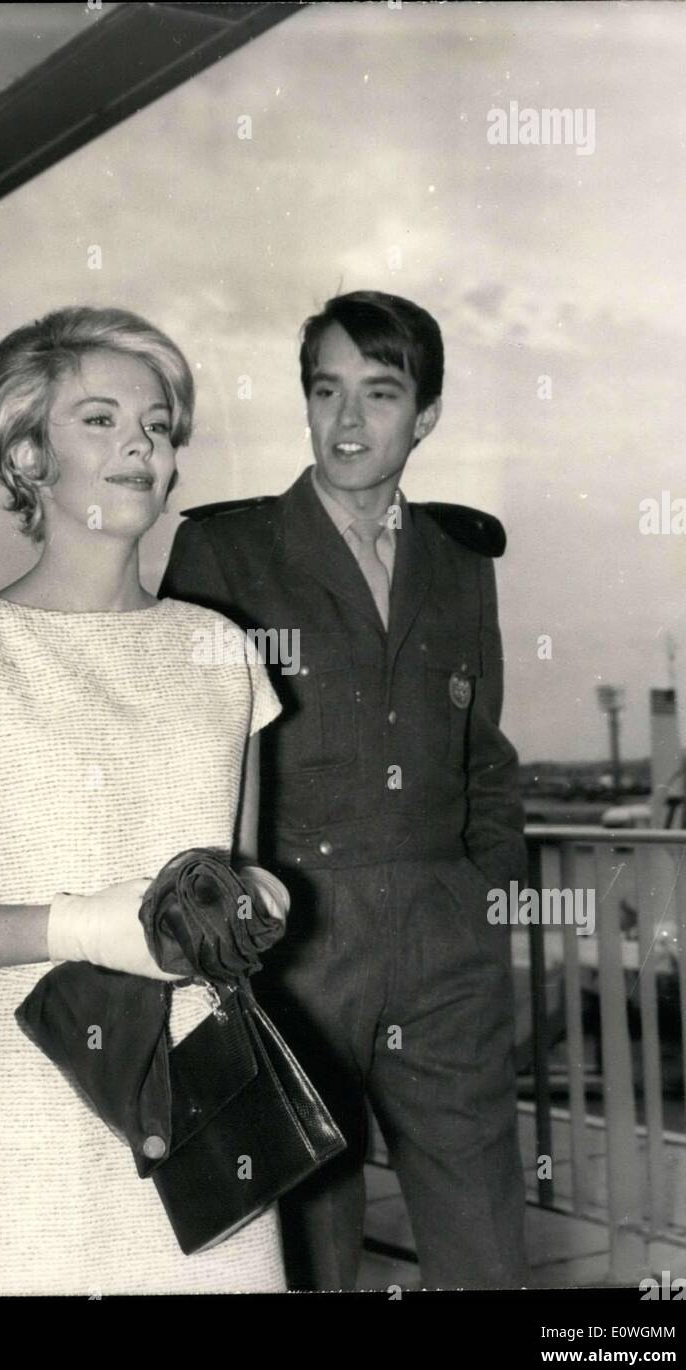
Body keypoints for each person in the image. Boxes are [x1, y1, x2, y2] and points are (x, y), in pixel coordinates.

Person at [0, 306, 289, 1295]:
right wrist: (83, 924)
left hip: (200, 1094)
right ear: (26, 456)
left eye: (155, 423)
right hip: (25, 1098)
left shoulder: (222, 654)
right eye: (98, 419)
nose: (138, 442)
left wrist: (263, 904)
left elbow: (245, 873)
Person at [159, 289, 528, 1291]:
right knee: (307, 1247)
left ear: (427, 416)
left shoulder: (462, 560)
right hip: (296, 942)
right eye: (328, 392)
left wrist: (485, 901)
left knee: (486, 1240)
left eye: (379, 393)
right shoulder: (226, 551)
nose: (349, 421)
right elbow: (185, 756)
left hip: (446, 943)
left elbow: (483, 757)